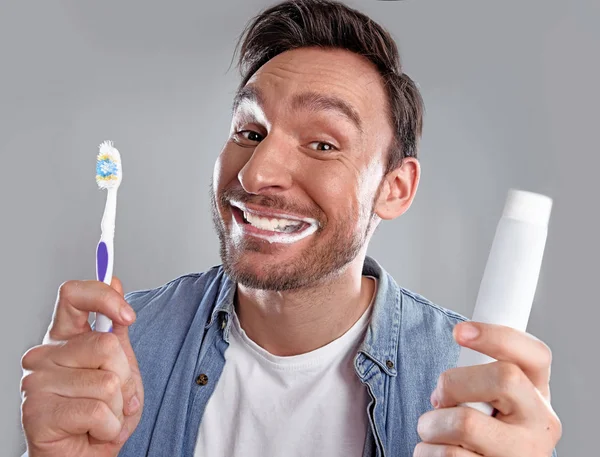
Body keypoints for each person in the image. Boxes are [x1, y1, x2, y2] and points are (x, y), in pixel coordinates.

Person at [19, 1, 562, 456]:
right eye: (250, 132)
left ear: (395, 188)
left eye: (322, 144)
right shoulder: (119, 356)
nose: (256, 174)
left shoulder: (466, 388)